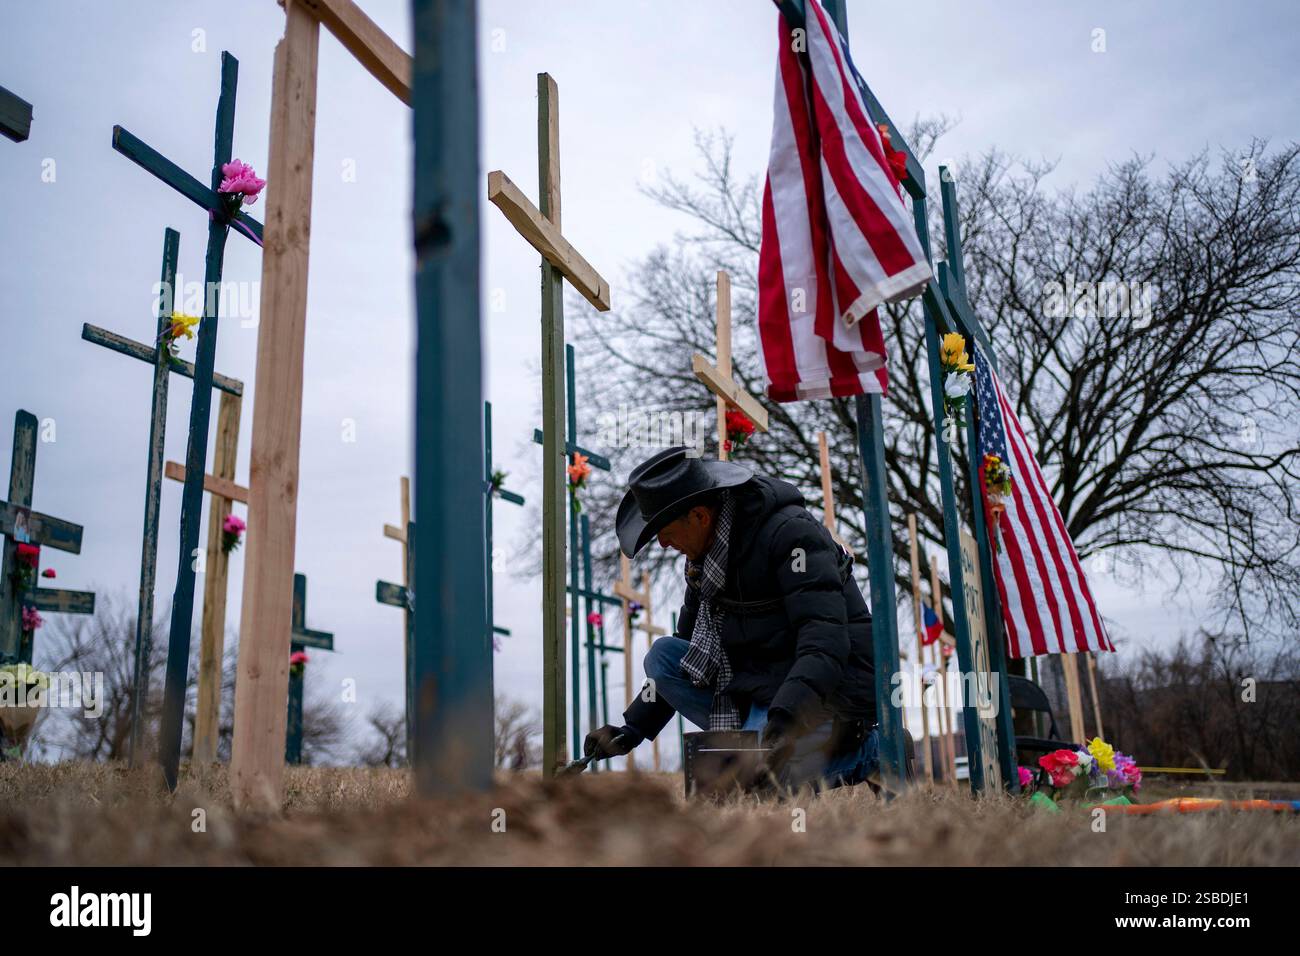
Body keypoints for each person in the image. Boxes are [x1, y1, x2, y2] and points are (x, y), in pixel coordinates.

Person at [584, 445, 881, 791]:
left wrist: (784, 720)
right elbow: (688, 659)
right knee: (664, 655)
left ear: (699, 516)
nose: (663, 544)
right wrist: (631, 729)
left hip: (831, 683)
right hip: (757, 684)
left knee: (759, 782)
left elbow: (825, 640)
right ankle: (766, 743)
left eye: (664, 529)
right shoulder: (704, 565)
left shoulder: (792, 535)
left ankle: (871, 752)